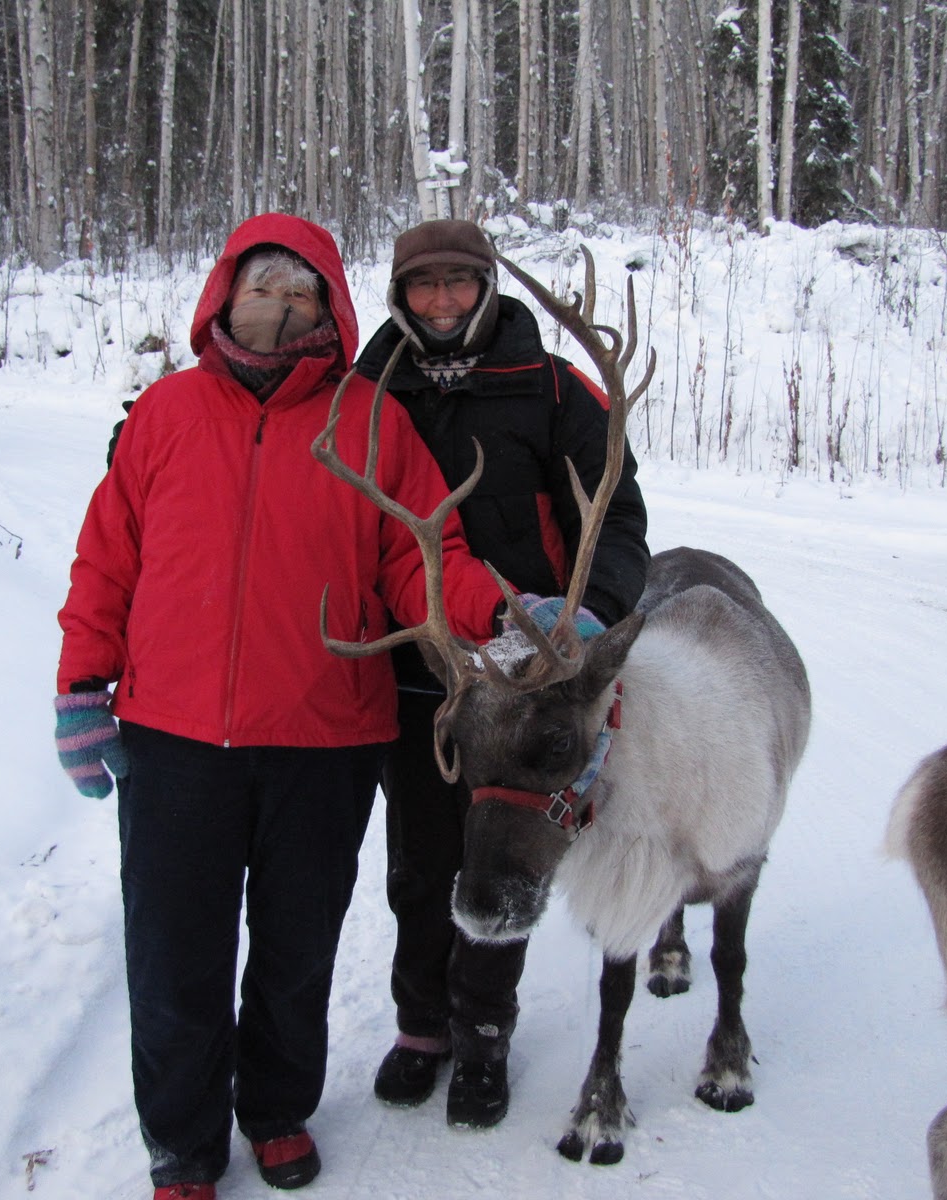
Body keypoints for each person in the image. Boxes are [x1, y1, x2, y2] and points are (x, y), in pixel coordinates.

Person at [55, 213, 506, 1200]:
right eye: (261, 288)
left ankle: (275, 1109)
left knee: (297, 948)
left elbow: (425, 555)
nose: (278, 308)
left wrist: (499, 614)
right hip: (175, 740)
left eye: (299, 293)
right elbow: (106, 560)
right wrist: (82, 685)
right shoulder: (165, 415)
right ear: (225, 296)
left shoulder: (372, 422)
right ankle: (180, 1141)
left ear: (331, 308)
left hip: (326, 738)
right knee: (174, 951)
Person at [356, 219, 650, 1129]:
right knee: (420, 863)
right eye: (422, 287)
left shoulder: (554, 388)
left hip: (527, 680)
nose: (441, 302)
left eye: (458, 283)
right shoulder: (366, 393)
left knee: (502, 855)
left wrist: (585, 616)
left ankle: (484, 1029)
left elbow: (621, 524)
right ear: (399, 296)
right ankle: (422, 1025)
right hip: (417, 669)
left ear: (486, 286)